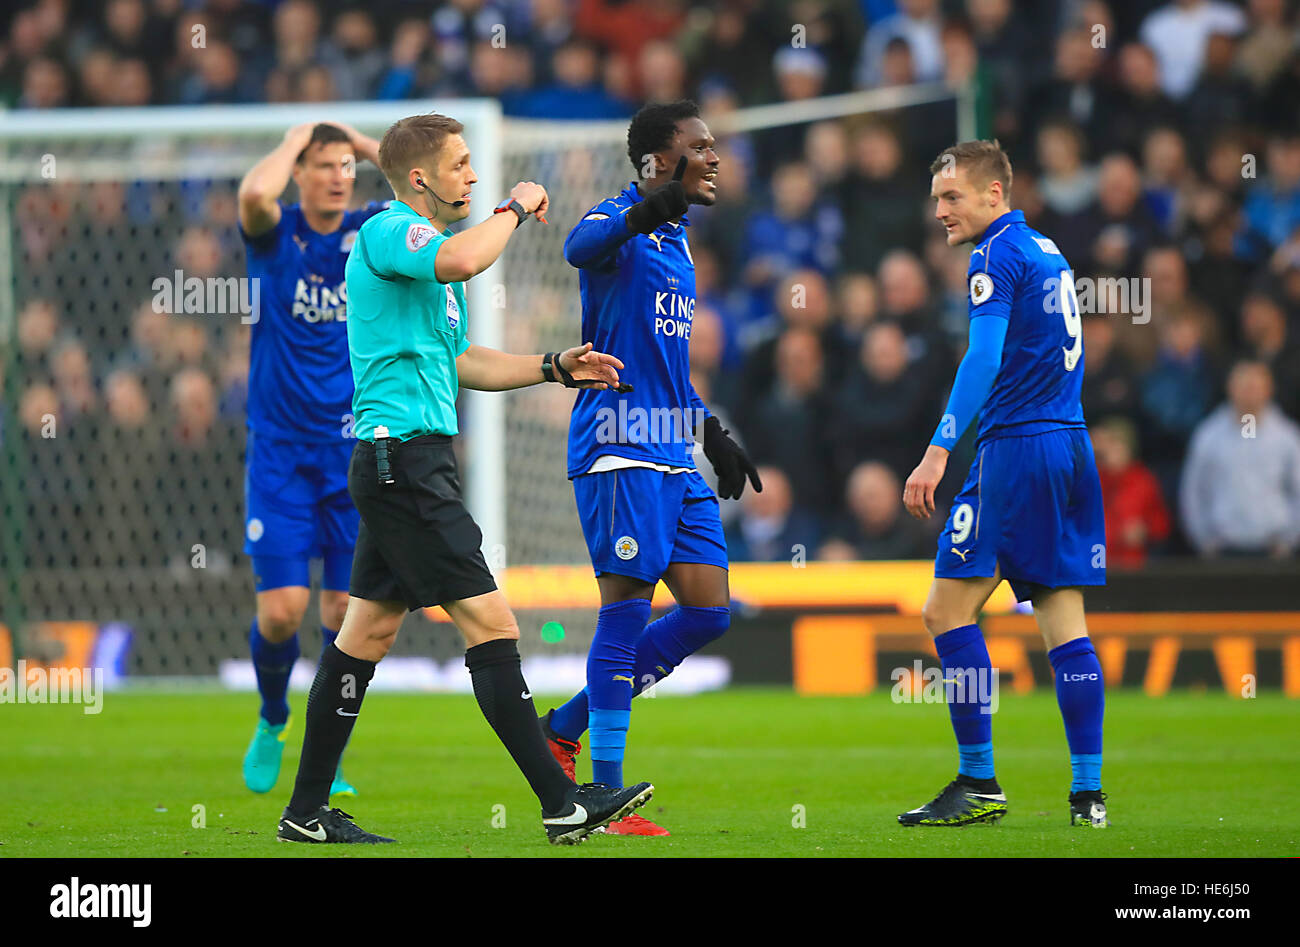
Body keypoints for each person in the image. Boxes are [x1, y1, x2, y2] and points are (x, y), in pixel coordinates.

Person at [276, 112, 651, 846]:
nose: (474, 178)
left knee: (366, 634)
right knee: (493, 624)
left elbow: (461, 363)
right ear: (420, 179)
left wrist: (554, 366)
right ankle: (561, 800)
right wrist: (514, 204)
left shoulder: (426, 263)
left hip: (406, 463)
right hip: (403, 463)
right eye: (462, 165)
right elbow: (463, 261)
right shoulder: (392, 232)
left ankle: (305, 812)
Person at [538, 100, 761, 836]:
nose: (715, 156)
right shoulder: (622, 222)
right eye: (700, 146)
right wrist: (649, 204)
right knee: (626, 611)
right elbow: (576, 245)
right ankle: (601, 796)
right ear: (658, 161)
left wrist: (710, 431)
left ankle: (563, 728)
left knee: (706, 610)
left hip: (671, 445)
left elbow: (665, 365)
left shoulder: (680, 243)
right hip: (618, 444)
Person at [900, 140, 1109, 829]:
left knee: (945, 612)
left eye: (952, 196)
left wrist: (937, 450)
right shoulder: (1049, 250)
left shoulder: (995, 255)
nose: (941, 211)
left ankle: (979, 780)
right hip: (1071, 446)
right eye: (936, 198)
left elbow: (984, 355)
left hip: (1017, 450)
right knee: (1063, 622)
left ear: (996, 195)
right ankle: (1088, 797)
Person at [236, 121, 385, 799]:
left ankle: (330, 754)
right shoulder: (276, 233)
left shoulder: (373, 231)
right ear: (300, 170)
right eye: (322, 165)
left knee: (342, 612)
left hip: (350, 450)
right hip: (281, 453)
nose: (336, 175)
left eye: (344, 165)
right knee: (281, 611)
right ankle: (272, 717)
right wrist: (298, 135)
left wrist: (366, 142)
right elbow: (250, 193)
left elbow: (442, 204)